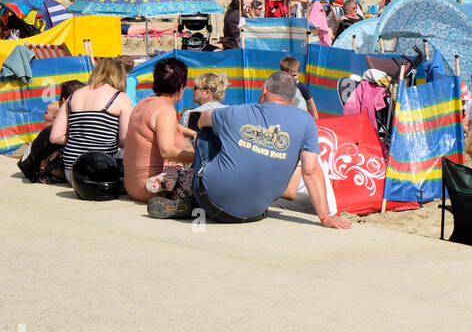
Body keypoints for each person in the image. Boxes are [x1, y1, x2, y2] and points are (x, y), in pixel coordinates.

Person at [150, 72, 349, 228]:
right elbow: (311, 170)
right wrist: (325, 216)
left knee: (207, 133)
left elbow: (202, 120)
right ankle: (201, 203)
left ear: (264, 90)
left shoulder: (237, 111)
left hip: (210, 198)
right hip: (255, 211)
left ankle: (194, 201)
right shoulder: (306, 121)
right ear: (291, 98)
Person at [50, 57, 134, 186]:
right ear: (119, 76)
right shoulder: (120, 98)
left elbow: (55, 137)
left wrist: (81, 137)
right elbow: (124, 141)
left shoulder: (73, 96)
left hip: (72, 174)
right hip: (102, 173)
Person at [123, 56, 194, 202]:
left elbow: (166, 126)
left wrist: (192, 133)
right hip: (152, 188)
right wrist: (201, 157)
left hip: (133, 185)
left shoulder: (145, 103)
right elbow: (167, 151)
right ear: (181, 86)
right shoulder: (165, 110)